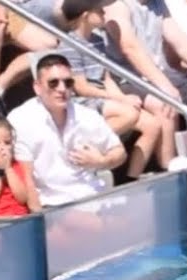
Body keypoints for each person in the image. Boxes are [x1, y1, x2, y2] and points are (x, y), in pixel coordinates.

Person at [61, 0, 164, 182]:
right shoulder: (69, 45)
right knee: (129, 114)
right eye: (99, 10)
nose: (104, 13)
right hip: (83, 101)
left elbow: (106, 78)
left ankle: (130, 178)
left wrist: (121, 97)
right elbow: (81, 87)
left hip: (103, 97)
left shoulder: (98, 40)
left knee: (153, 125)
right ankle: (81, 146)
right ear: (86, 15)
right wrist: (118, 100)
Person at [8, 53, 127, 207]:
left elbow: (120, 152)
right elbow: (26, 180)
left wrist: (101, 161)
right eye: (53, 83)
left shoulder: (87, 116)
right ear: (37, 87)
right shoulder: (21, 120)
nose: (62, 89)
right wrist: (38, 221)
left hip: (91, 196)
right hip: (52, 205)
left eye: (68, 82)